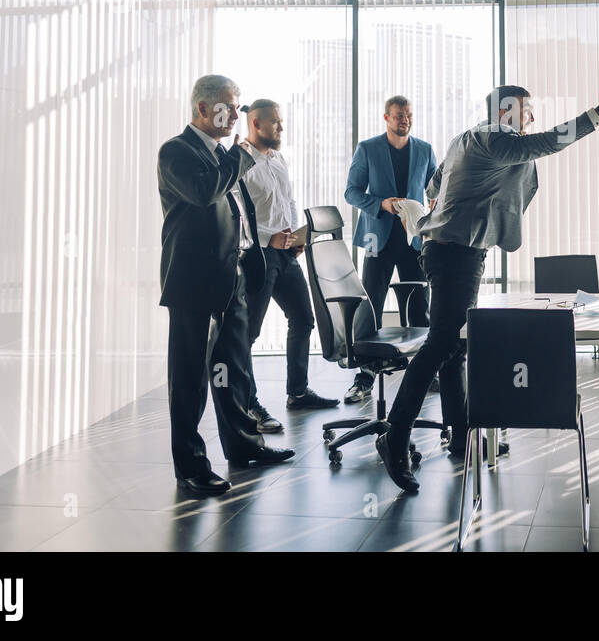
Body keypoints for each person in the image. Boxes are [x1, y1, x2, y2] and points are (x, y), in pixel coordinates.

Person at [373, 83, 599, 493]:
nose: (530, 119)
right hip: (456, 254)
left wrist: (455, 207)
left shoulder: (468, 138)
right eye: (526, 111)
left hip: (459, 250)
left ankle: (461, 436)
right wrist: (598, 114)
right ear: (506, 111)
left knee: (454, 346)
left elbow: (433, 187)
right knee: (441, 344)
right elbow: (549, 142)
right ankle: (395, 437)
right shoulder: (494, 138)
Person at [157, 75, 294, 497]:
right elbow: (204, 193)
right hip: (195, 283)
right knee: (190, 380)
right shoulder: (178, 152)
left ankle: (243, 445)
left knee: (230, 371)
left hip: (232, 278)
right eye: (231, 107)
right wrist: (237, 156)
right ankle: (191, 467)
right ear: (203, 109)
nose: (237, 115)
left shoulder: (221, 153)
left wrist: (253, 260)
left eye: (237, 107)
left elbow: (240, 212)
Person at [240, 99, 338, 432]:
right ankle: (248, 405)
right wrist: (272, 239)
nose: (281, 128)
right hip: (259, 255)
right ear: (255, 124)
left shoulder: (277, 159)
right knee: (248, 333)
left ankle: (297, 392)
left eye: (281, 122)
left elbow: (288, 201)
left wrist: (295, 237)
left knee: (303, 318)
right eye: (275, 123)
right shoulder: (241, 163)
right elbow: (239, 215)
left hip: (285, 253)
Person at [342, 96, 438, 404]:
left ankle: (425, 370)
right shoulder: (368, 149)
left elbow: (436, 188)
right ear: (386, 117)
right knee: (370, 304)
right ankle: (365, 375)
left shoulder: (424, 149)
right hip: (377, 238)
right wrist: (379, 204)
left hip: (413, 239)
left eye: (409, 115)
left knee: (419, 303)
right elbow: (351, 192)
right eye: (399, 115)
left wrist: (434, 206)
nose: (405, 120)